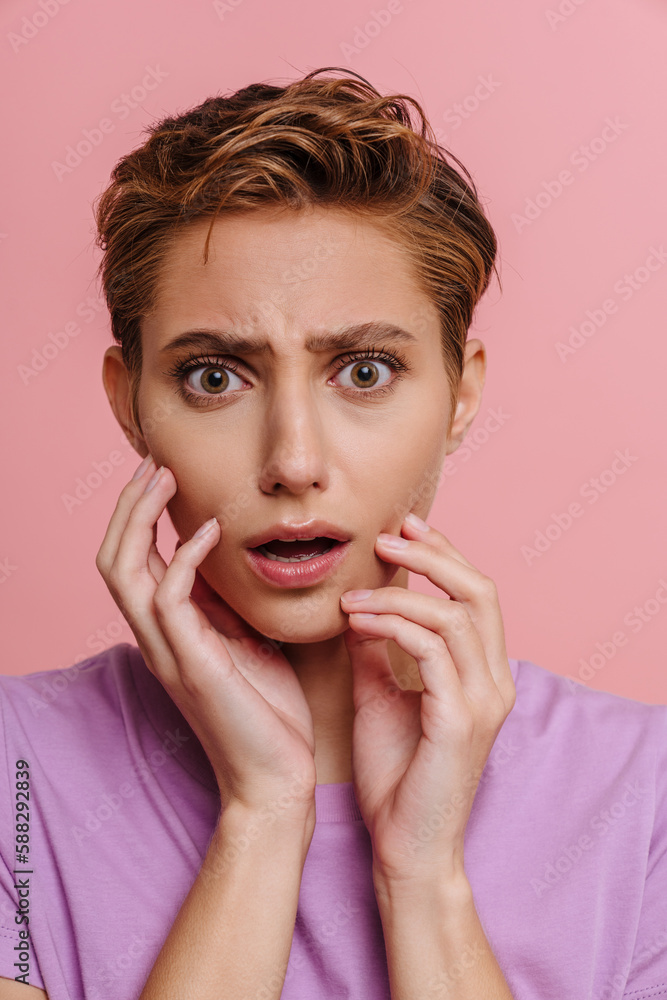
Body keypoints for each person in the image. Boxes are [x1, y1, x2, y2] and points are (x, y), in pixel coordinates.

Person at [0, 66, 665, 1000]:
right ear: (129, 403)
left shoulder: (641, 793)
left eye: (362, 371)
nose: (293, 461)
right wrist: (263, 814)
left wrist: (421, 881)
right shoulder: (15, 776)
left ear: (461, 394)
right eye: (214, 377)